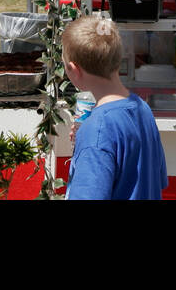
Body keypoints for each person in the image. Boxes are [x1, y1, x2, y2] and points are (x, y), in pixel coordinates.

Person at [63, 14, 167, 200]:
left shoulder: (96, 131)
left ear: (74, 70)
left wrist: (88, 146)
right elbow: (156, 179)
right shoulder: (143, 109)